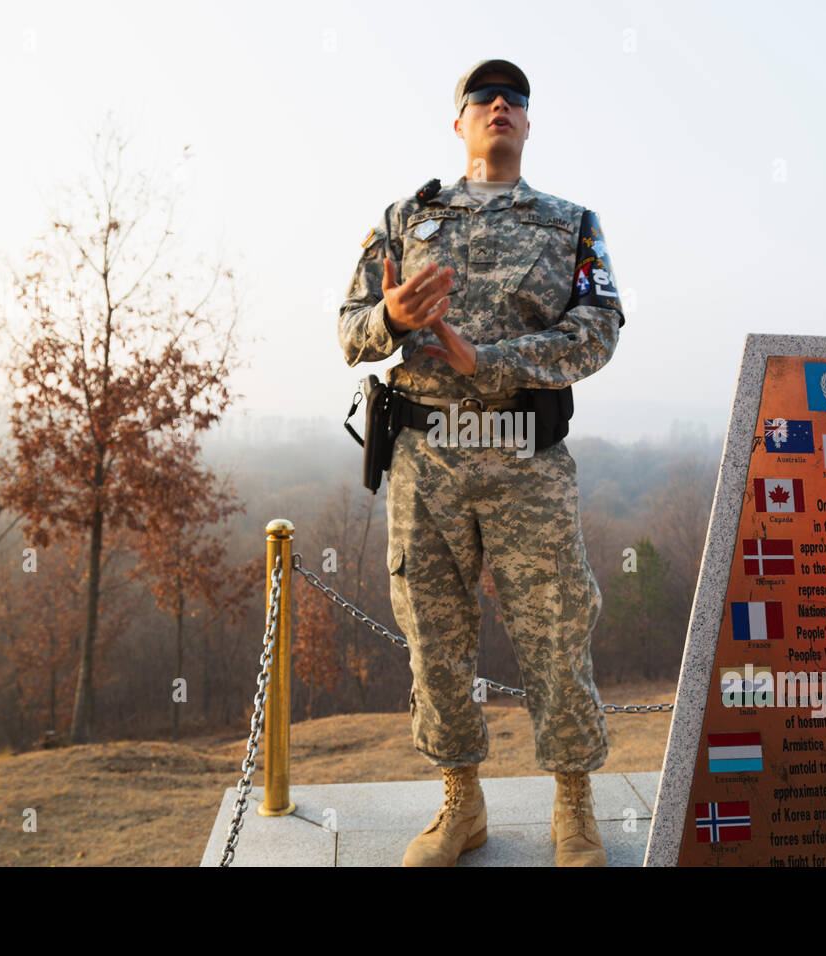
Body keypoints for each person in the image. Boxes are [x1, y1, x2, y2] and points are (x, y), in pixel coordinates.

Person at [337, 58, 626, 867]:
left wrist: (489, 362)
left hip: (523, 457)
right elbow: (347, 330)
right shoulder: (404, 219)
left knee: (557, 632)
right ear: (458, 122)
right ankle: (461, 804)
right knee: (433, 638)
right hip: (426, 459)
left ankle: (574, 805)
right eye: (482, 97)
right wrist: (388, 318)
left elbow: (599, 331)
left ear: (528, 125)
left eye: (515, 99)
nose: (500, 105)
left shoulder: (572, 224)